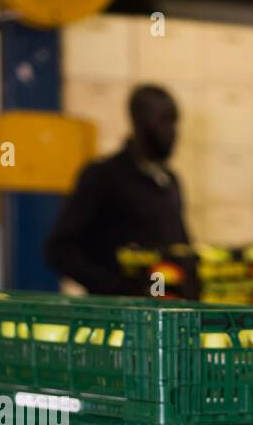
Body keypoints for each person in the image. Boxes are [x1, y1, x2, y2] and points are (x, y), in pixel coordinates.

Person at [45, 84, 189, 296]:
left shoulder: (170, 181)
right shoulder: (102, 176)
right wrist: (116, 287)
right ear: (139, 123)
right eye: (164, 122)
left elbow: (179, 246)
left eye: (175, 123)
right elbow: (59, 249)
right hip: (119, 316)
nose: (173, 133)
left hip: (166, 312)